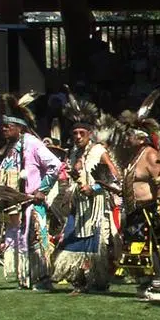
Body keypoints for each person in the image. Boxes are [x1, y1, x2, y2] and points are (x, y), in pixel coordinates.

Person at [52, 98, 119, 295]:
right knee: (74, 243)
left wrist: (95, 189)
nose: (78, 136)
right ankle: (79, 281)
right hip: (78, 205)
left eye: (82, 133)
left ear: (90, 134)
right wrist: (74, 174)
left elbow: (114, 177)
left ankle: (98, 280)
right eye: (74, 134)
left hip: (96, 206)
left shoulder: (99, 150)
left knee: (96, 245)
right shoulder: (73, 153)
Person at [0, 94, 61, 291]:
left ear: (20, 127)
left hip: (32, 201)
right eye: (3, 125)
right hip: (15, 205)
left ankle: (43, 279)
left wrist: (43, 190)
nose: (4, 129)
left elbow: (55, 165)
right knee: (20, 240)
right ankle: (26, 279)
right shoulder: (9, 148)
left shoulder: (32, 143)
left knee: (35, 239)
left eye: (8, 126)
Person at [115, 91, 160, 301]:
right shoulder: (134, 156)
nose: (126, 139)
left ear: (140, 138)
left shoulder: (150, 154)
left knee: (155, 248)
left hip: (150, 209)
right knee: (137, 249)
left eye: (129, 136)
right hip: (134, 210)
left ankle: (158, 286)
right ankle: (144, 284)